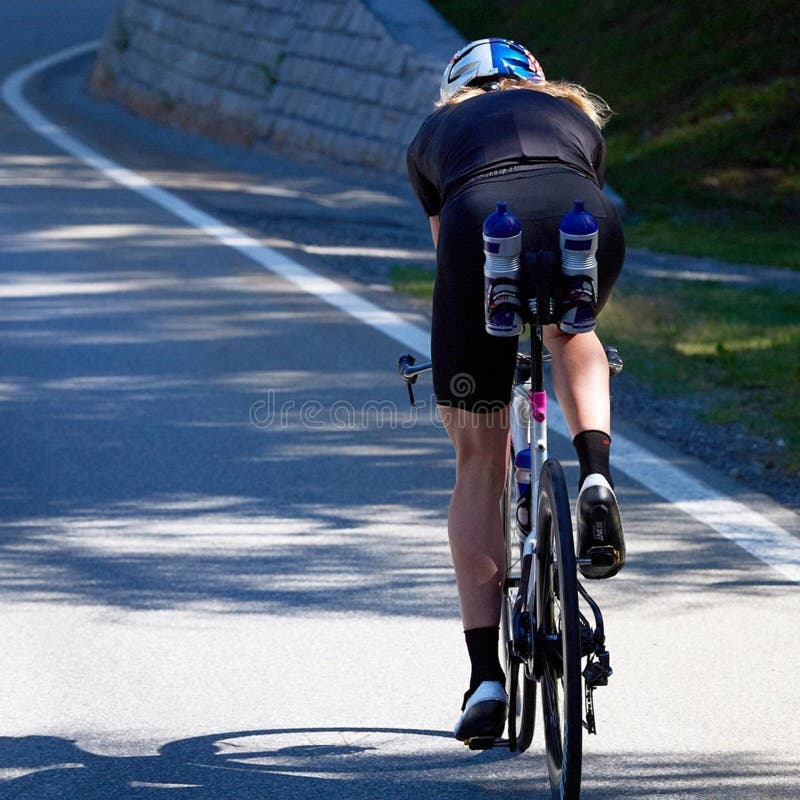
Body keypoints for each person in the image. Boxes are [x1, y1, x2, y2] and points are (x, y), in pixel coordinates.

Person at [406, 38, 626, 742]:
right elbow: (576, 184)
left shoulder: (436, 133)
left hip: (479, 222)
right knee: (570, 331)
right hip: (582, 206)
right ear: (536, 80)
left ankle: (485, 679)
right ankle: (595, 475)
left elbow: (447, 256)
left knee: (480, 462)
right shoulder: (572, 116)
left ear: (455, 90)